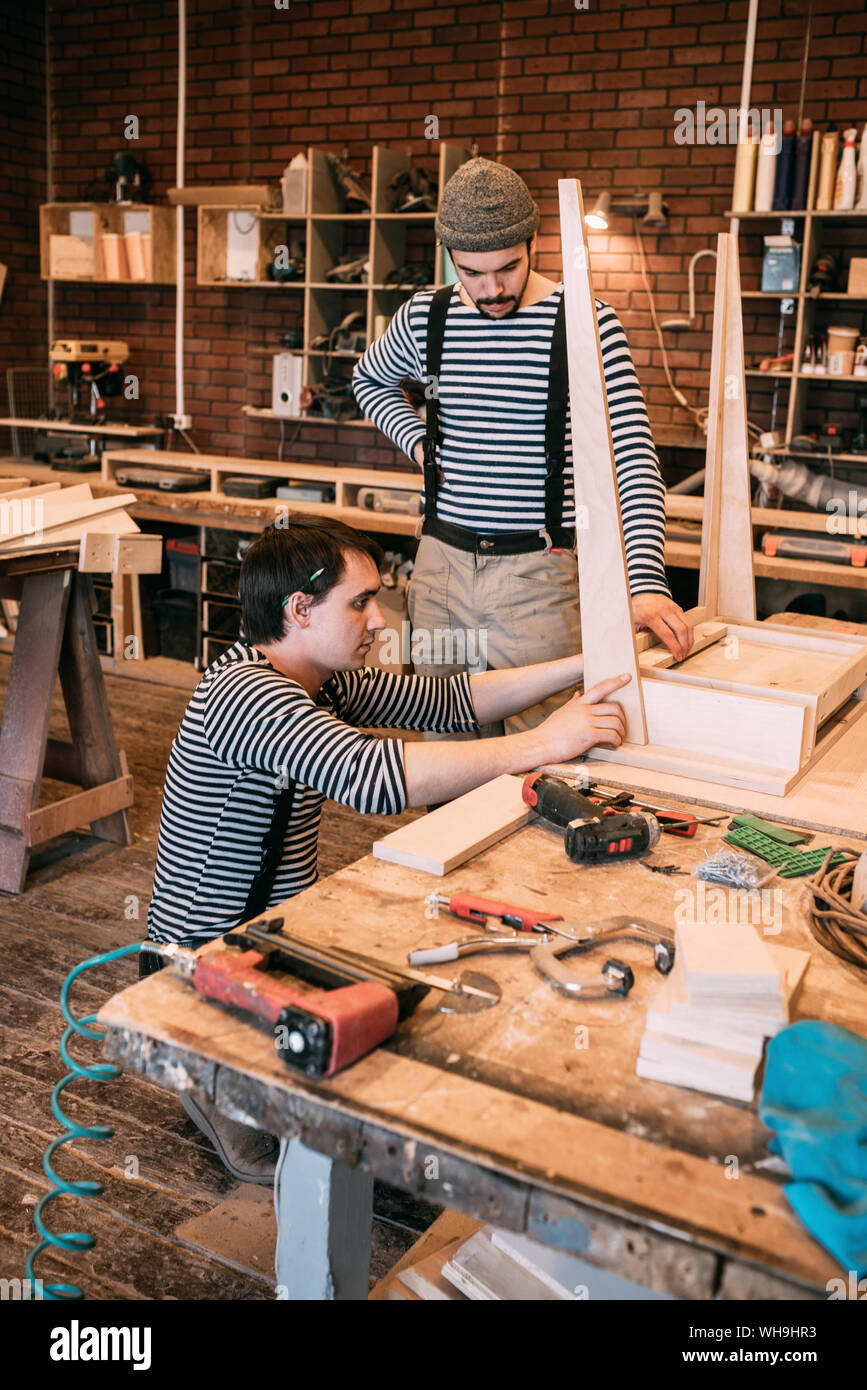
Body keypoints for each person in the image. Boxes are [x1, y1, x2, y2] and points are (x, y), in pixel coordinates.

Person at [144, 515, 631, 1181]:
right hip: (200, 958)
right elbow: (373, 780)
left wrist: (590, 663)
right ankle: (201, 1070)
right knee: (321, 1102)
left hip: (270, 932)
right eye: (360, 602)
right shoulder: (245, 694)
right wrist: (542, 745)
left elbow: (446, 701)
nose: (379, 620)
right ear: (299, 609)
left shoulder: (313, 674)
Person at [353, 157, 694, 735]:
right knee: (445, 736)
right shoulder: (426, 317)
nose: (490, 290)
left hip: (541, 575)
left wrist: (644, 584)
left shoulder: (586, 324)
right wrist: (421, 444)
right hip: (440, 567)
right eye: (472, 273)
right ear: (450, 257)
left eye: (506, 269)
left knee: (549, 741)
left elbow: (632, 462)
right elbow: (369, 380)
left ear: (533, 240)